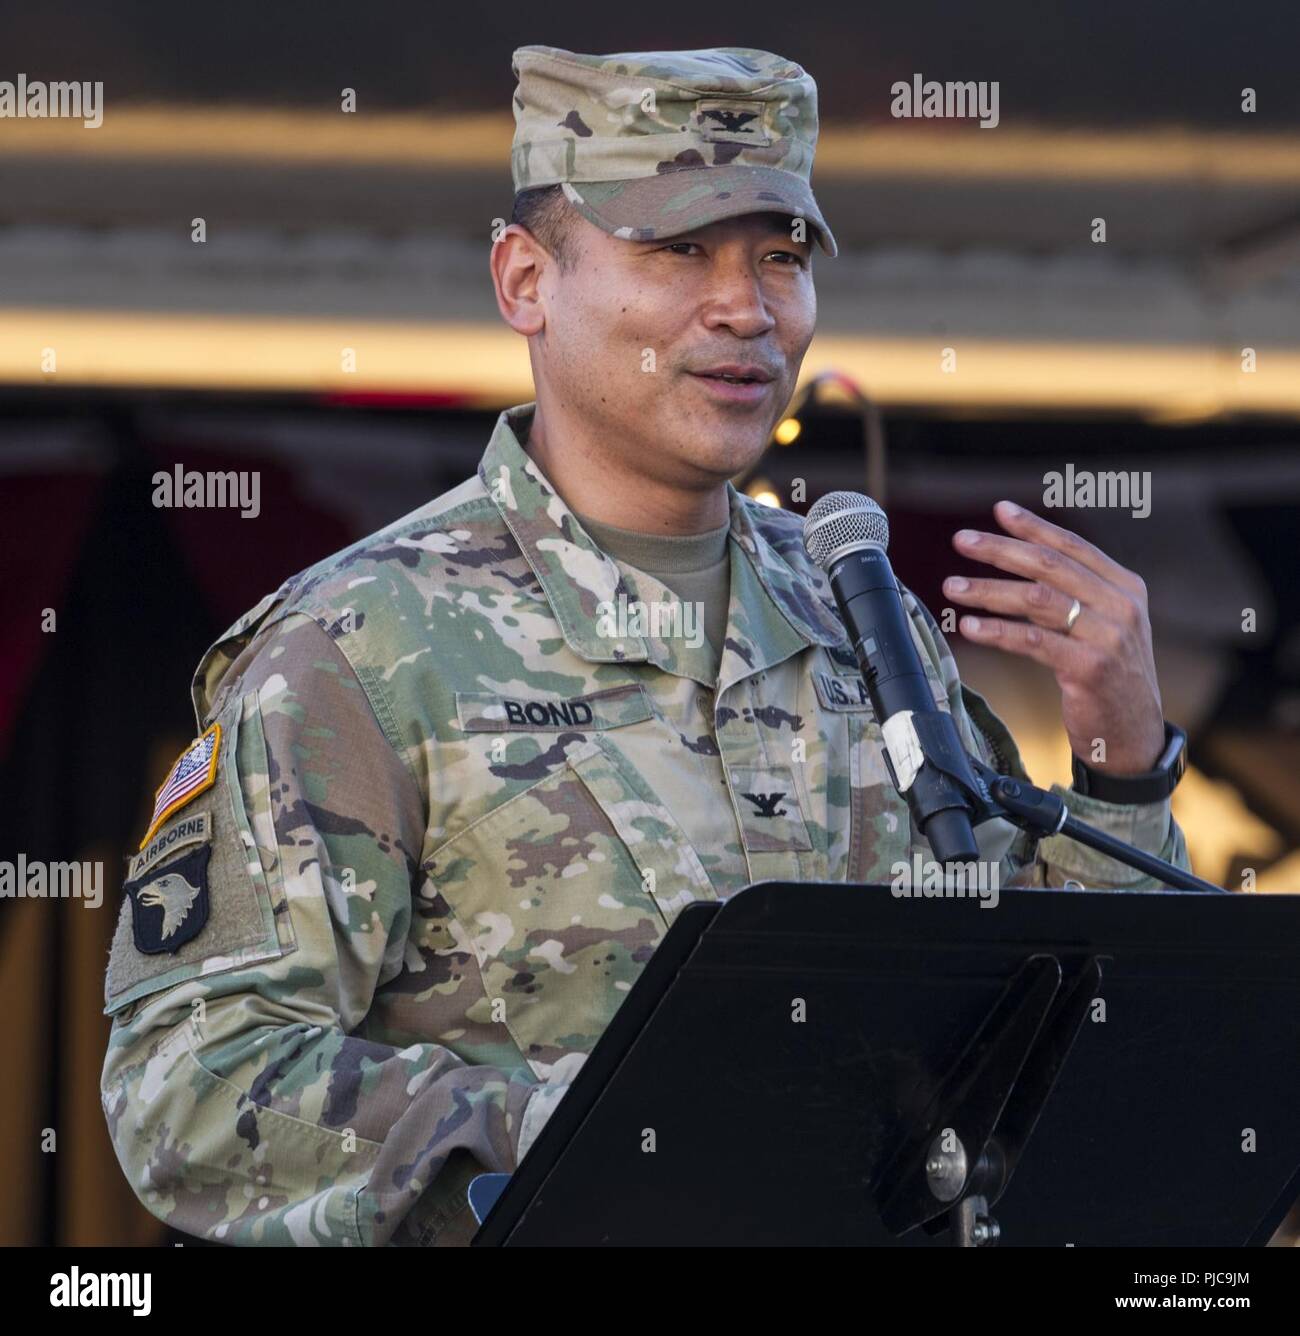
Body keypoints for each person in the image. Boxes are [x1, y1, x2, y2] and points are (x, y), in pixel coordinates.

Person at [101, 44, 1191, 1247]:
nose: (745, 305)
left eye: (779, 255)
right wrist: (589, 1135)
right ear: (525, 279)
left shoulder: (857, 617)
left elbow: (1049, 1029)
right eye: (678, 249)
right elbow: (188, 1087)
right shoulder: (360, 646)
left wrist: (1122, 759)